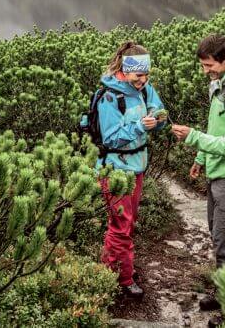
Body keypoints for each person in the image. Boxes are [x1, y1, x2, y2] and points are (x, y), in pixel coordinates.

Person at [170, 33, 225, 312]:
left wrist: (193, 137)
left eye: (209, 65)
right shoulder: (220, 86)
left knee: (224, 240)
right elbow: (216, 129)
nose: (204, 71)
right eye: (202, 65)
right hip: (217, 172)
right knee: (217, 233)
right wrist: (201, 158)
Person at [96, 40, 167, 299]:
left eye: (146, 75)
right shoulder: (110, 97)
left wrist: (158, 120)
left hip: (136, 168)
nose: (143, 80)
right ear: (124, 71)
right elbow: (110, 138)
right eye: (138, 75)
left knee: (126, 224)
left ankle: (114, 269)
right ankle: (122, 279)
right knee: (120, 225)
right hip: (115, 171)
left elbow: (157, 112)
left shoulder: (145, 89)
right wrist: (140, 126)